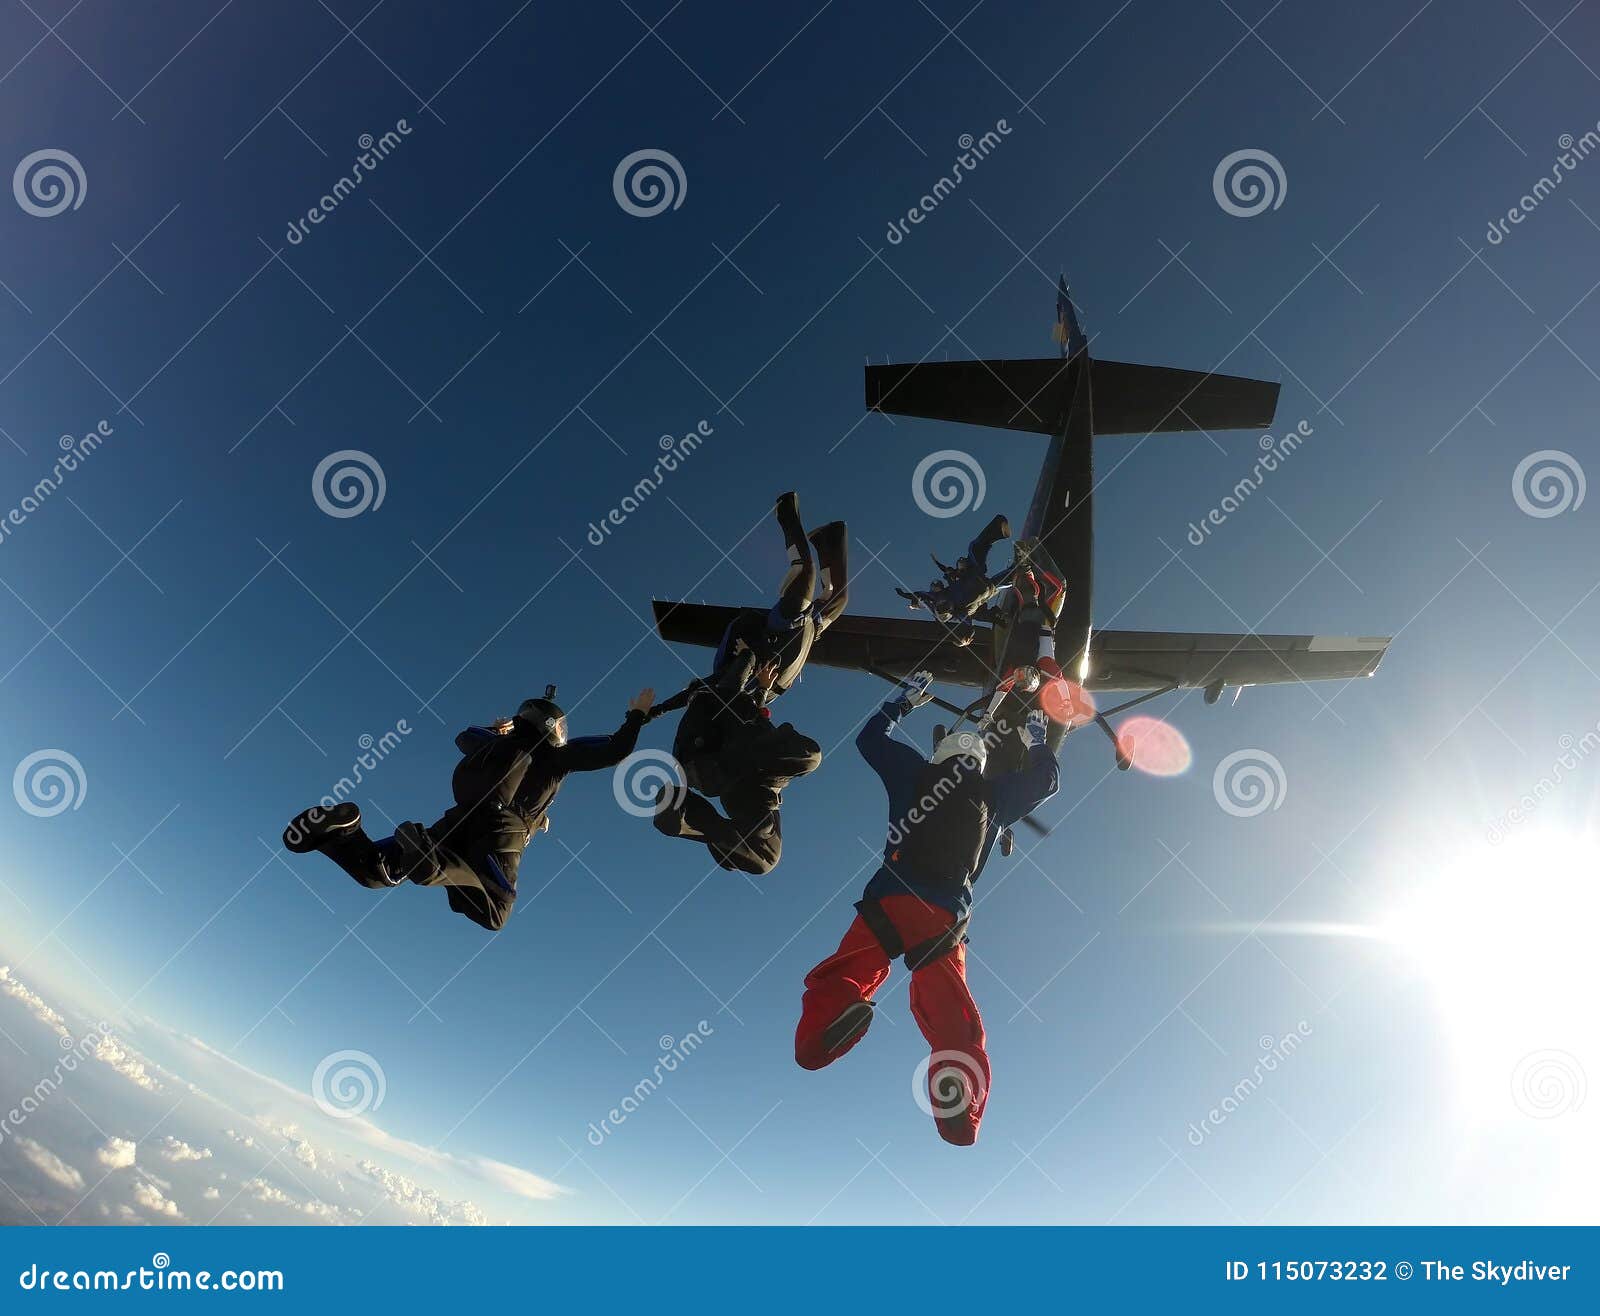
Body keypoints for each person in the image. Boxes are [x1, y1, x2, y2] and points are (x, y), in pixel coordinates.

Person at [793, 671, 1061, 1146]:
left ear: (941, 752)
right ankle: (958, 1099)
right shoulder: (996, 796)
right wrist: (1037, 739)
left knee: (845, 973)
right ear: (980, 765)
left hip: (888, 899)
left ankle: (817, 1034)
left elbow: (869, 740)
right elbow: (1046, 780)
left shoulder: (913, 771)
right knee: (952, 1016)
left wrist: (903, 702)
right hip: (943, 914)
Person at [282, 684, 654, 931]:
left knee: (376, 872)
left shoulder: (492, 745)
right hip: (503, 835)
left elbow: (464, 737)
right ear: (556, 727)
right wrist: (637, 713)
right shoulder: (560, 756)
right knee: (496, 909)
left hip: (459, 819)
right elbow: (615, 749)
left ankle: (342, 831)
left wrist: (497, 732)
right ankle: (434, 864)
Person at [650, 491, 847, 875]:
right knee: (767, 859)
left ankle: (785, 514)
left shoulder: (745, 663)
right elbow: (835, 601)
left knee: (803, 587)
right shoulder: (780, 659)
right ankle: (689, 816)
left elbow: (723, 690)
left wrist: (751, 668)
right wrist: (834, 542)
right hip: (739, 769)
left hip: (716, 754)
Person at [895, 513, 1011, 646]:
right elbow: (969, 626)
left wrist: (909, 598)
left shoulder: (941, 600)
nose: (944, 604)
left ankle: (999, 532)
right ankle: (1017, 566)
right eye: (945, 607)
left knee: (975, 551)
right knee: (977, 553)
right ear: (949, 611)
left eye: (941, 606)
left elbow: (922, 596)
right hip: (978, 583)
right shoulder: (956, 610)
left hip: (976, 580)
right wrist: (964, 639)